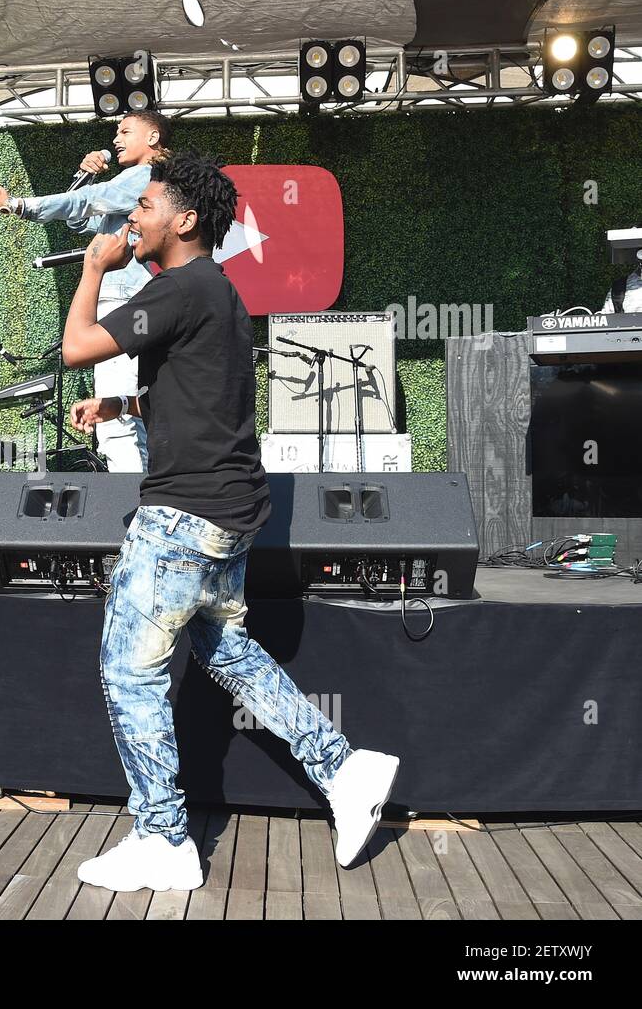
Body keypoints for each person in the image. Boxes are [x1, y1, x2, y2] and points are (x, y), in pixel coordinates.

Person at [61, 151, 401, 893]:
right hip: (230, 517)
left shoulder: (179, 287)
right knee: (227, 655)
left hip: (181, 519)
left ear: (184, 220)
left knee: (129, 672)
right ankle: (344, 770)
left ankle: (164, 838)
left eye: (145, 207)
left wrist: (92, 266)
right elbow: (198, 397)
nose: (133, 218)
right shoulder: (219, 294)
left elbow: (76, 346)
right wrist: (119, 407)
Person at [0, 109, 174, 473]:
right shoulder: (133, 184)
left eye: (125, 131)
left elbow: (88, 202)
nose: (115, 140)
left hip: (122, 301)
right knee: (125, 415)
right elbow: (80, 218)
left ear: (152, 138)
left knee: (117, 422)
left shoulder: (143, 177)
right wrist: (83, 175)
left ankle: (134, 508)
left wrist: (16, 205)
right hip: (127, 301)